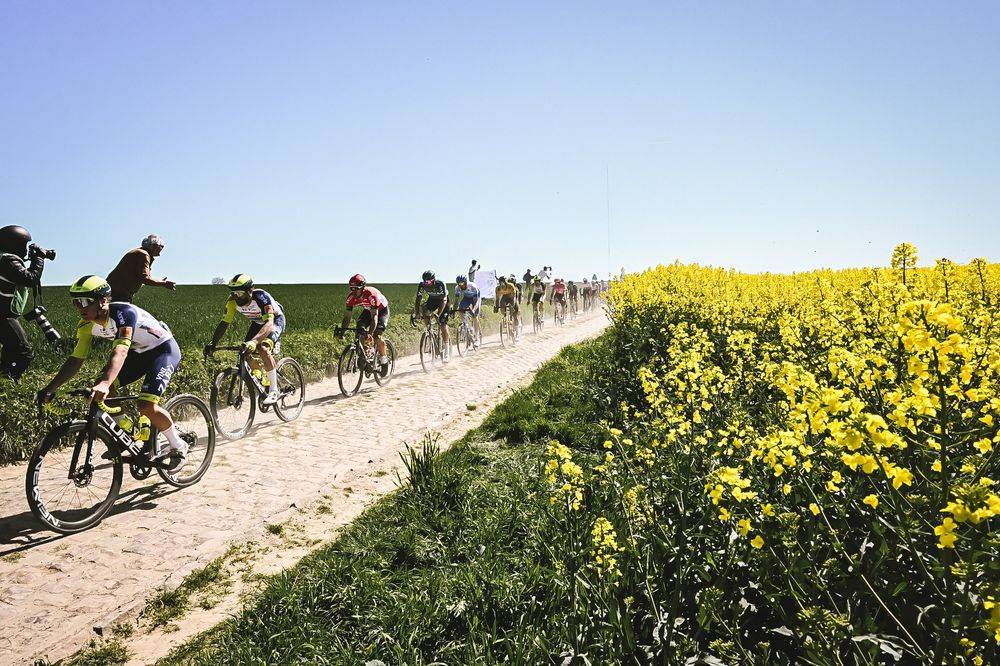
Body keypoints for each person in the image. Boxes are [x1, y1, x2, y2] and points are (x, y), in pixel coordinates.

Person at [37, 276, 188, 467]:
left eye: (85, 301)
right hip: (138, 353)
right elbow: (76, 360)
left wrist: (105, 383)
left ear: (103, 300)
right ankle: (128, 433)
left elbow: (121, 350)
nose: (80, 307)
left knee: (145, 404)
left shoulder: (123, 313)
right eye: (76, 302)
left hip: (163, 350)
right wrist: (50, 387)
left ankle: (178, 444)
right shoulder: (85, 326)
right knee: (102, 394)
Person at [204, 274, 284, 406]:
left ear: (250, 290)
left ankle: (274, 391)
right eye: (233, 293)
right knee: (245, 351)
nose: (236, 297)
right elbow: (224, 323)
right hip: (258, 323)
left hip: (274, 321)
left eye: (239, 293)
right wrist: (213, 343)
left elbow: (269, 324)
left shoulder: (261, 297)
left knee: (263, 348)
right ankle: (263, 378)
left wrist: (255, 341)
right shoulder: (231, 301)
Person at [0, 226, 47, 380]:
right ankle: (10, 380)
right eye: (24, 245)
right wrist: (39, 258)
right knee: (23, 352)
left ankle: (6, 378)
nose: (26, 250)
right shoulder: (8, 260)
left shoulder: (4, 259)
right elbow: (30, 279)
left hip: (4, 314)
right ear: (15, 244)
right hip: (3, 315)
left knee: (11, 348)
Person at [336, 273, 390, 372]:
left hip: (381, 311)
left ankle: (384, 360)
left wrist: (370, 333)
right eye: (352, 288)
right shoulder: (351, 297)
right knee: (360, 328)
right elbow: (347, 317)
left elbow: (374, 316)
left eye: (357, 288)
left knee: (376, 335)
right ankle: (366, 352)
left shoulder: (371, 295)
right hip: (368, 310)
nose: (355, 291)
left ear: (363, 287)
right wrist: (342, 332)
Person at [106, 234, 176, 303]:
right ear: (153, 246)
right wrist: (164, 283)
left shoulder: (141, 253)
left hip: (116, 292)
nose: (161, 249)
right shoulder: (143, 255)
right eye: (161, 246)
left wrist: (159, 281)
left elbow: (140, 278)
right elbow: (145, 279)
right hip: (118, 293)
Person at [412, 270, 450, 357]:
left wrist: (438, 313)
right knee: (424, 309)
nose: (426, 283)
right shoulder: (422, 285)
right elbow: (418, 299)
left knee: (443, 324)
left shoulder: (440, 284)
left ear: (433, 279)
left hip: (443, 302)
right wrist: (417, 312)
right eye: (425, 281)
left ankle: (447, 351)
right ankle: (430, 333)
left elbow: (444, 300)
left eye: (428, 281)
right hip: (432, 300)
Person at [454, 274, 482, 339]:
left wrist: (473, 310)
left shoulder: (472, 286)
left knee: (474, 315)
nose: (460, 285)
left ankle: (477, 337)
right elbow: (456, 301)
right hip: (467, 297)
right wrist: (454, 310)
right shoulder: (457, 288)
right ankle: (465, 325)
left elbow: (476, 302)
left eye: (462, 283)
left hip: (476, 298)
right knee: (460, 309)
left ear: (466, 282)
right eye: (459, 284)